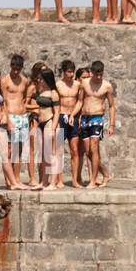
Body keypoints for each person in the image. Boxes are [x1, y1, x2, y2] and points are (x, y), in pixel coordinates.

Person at [0, 54, 37, 190]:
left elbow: (24, 99)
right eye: (14, 68)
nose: (16, 71)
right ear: (11, 66)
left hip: (22, 117)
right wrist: (7, 120)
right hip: (11, 116)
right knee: (9, 151)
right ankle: (8, 181)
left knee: (19, 151)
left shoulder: (24, 81)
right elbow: (3, 102)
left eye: (18, 68)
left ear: (21, 68)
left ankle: (16, 180)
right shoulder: (5, 81)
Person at [80, 60, 115, 187]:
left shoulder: (107, 86)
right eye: (97, 75)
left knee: (94, 148)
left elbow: (111, 106)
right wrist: (74, 116)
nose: (99, 77)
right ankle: (105, 174)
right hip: (84, 118)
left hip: (97, 118)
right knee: (88, 151)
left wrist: (111, 125)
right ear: (91, 73)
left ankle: (93, 181)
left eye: (101, 74)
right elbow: (80, 101)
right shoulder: (84, 83)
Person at [30, 67, 61, 189]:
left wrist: (53, 128)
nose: (39, 80)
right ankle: (43, 182)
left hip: (49, 122)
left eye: (41, 78)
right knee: (43, 155)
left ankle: (53, 183)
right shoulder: (41, 91)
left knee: (52, 154)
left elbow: (57, 112)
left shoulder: (54, 93)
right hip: (41, 123)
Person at [55, 59, 83, 187]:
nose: (71, 75)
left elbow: (80, 101)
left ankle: (75, 180)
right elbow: (54, 103)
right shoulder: (57, 85)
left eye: (72, 72)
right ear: (63, 72)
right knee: (59, 150)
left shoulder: (77, 85)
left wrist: (73, 115)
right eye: (69, 72)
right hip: (60, 117)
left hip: (73, 117)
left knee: (74, 150)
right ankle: (59, 180)